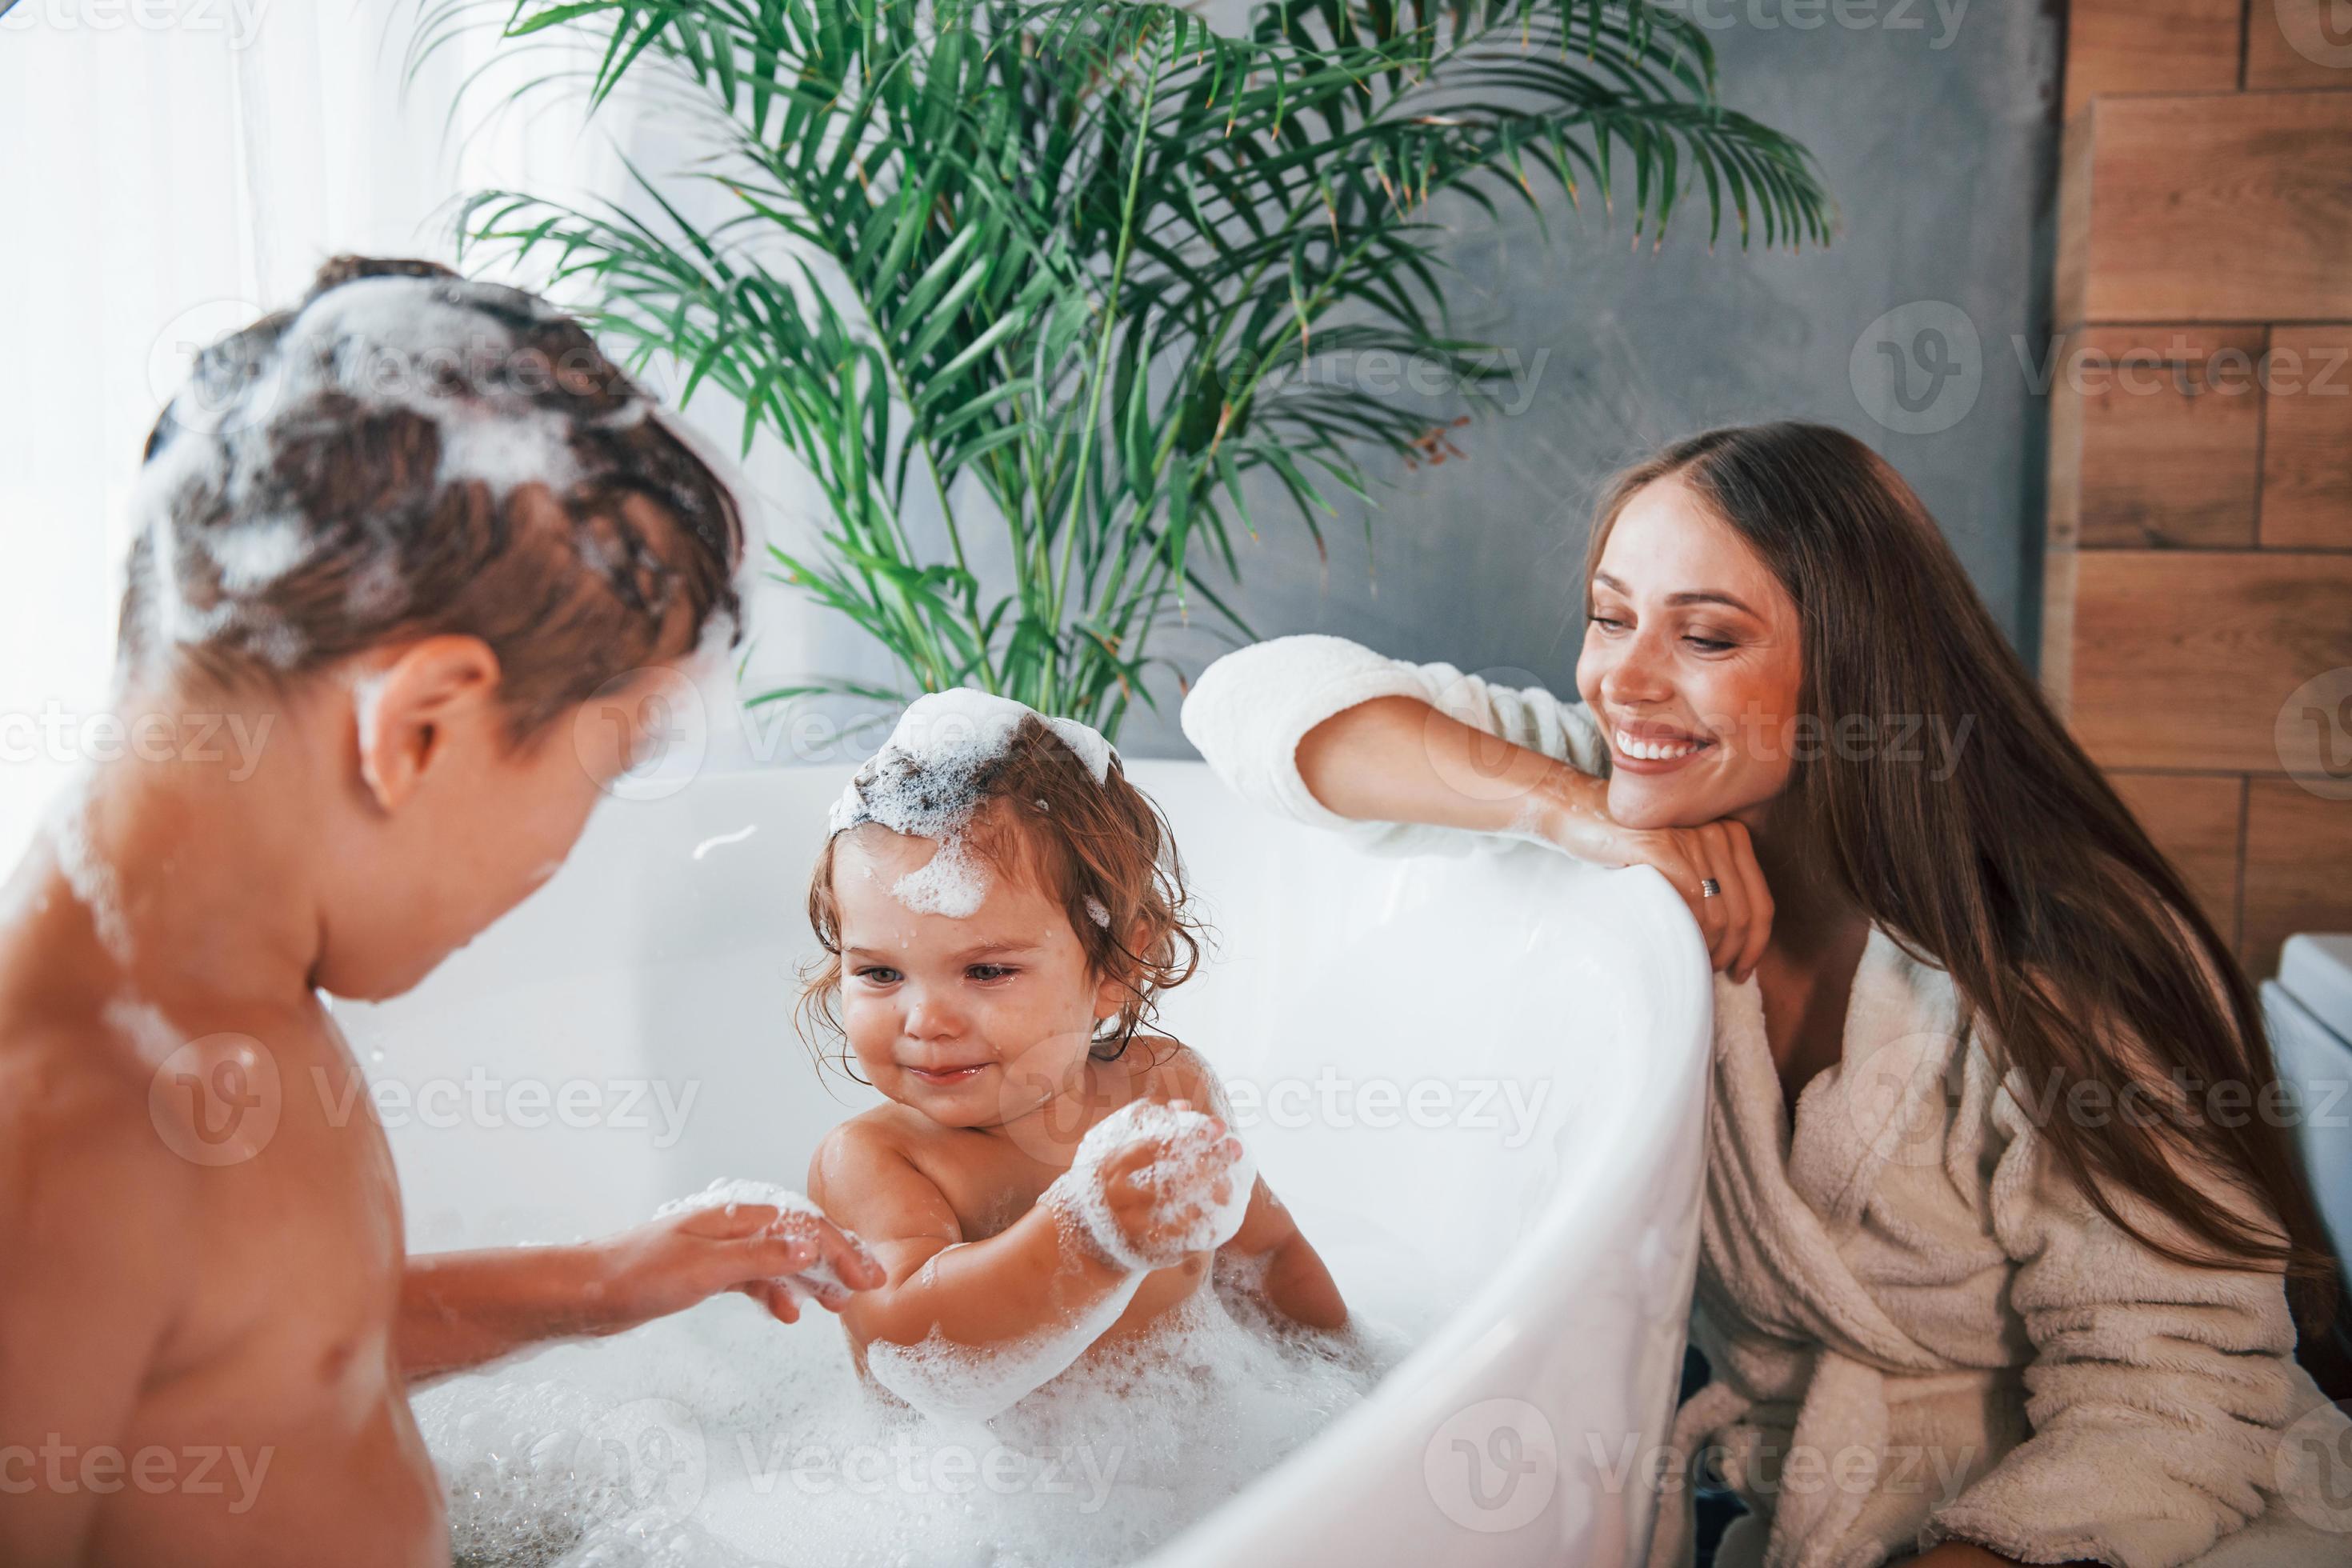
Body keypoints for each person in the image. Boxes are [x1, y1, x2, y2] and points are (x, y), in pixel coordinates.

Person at [1178, 421, 2352, 1566]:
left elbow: (2179, 1401)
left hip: (2140, 1526)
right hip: (1815, 1519)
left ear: (1853, 667)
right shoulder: (1628, 797)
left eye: (1706, 637)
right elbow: (1249, 704)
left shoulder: (2058, 959)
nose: (1625, 681)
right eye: (1610, 616)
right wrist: (1571, 813)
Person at [0, 256, 880, 1568]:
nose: (571, 852)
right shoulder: (66, 1129)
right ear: (420, 727)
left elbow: (279, 1342)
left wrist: (602, 1283)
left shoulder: (229, 980)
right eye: (603, 773)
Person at [802, 692, 1346, 1422]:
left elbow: (1269, 1257)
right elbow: (909, 1339)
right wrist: (1086, 1236)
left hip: (1203, 1447)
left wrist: (1356, 1380)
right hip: (982, 1484)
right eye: (879, 973)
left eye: (986, 972)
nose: (925, 1020)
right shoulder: (876, 1160)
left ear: (1115, 968)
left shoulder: (1168, 1087)